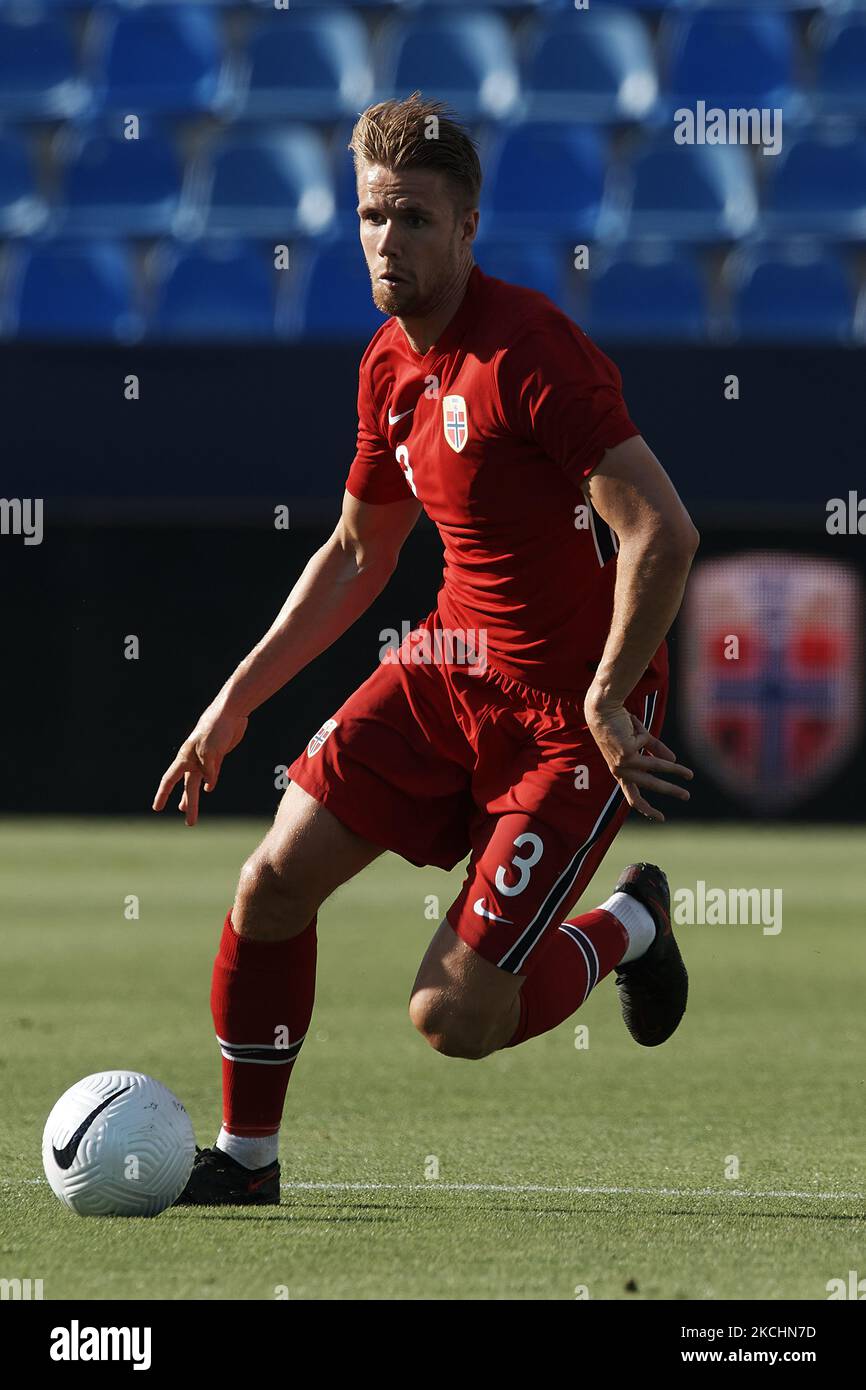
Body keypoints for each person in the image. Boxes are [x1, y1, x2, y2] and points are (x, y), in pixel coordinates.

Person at [153, 94, 699, 1206]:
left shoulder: (534, 353)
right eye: (369, 215)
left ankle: (631, 924)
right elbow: (358, 551)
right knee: (267, 884)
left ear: (465, 226)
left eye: (410, 218)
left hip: (567, 713)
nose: (385, 240)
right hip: (448, 667)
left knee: (451, 1018)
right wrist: (234, 700)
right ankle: (246, 1162)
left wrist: (605, 689)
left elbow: (661, 529)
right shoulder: (386, 366)